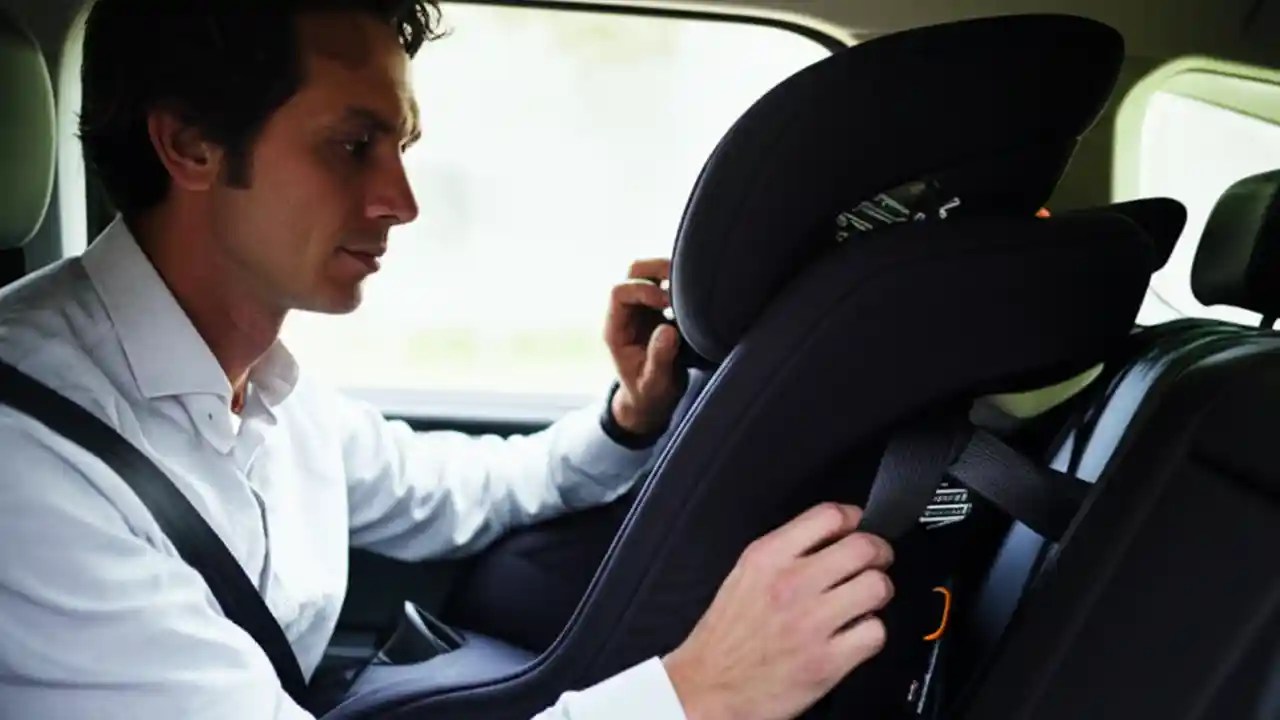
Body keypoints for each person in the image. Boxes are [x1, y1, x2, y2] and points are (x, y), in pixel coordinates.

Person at [0, 1, 896, 718]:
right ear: (191, 146)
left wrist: (628, 419)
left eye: (401, 146)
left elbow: (456, 491)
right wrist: (701, 694)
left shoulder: (264, 382)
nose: (400, 200)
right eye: (353, 147)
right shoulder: (26, 463)